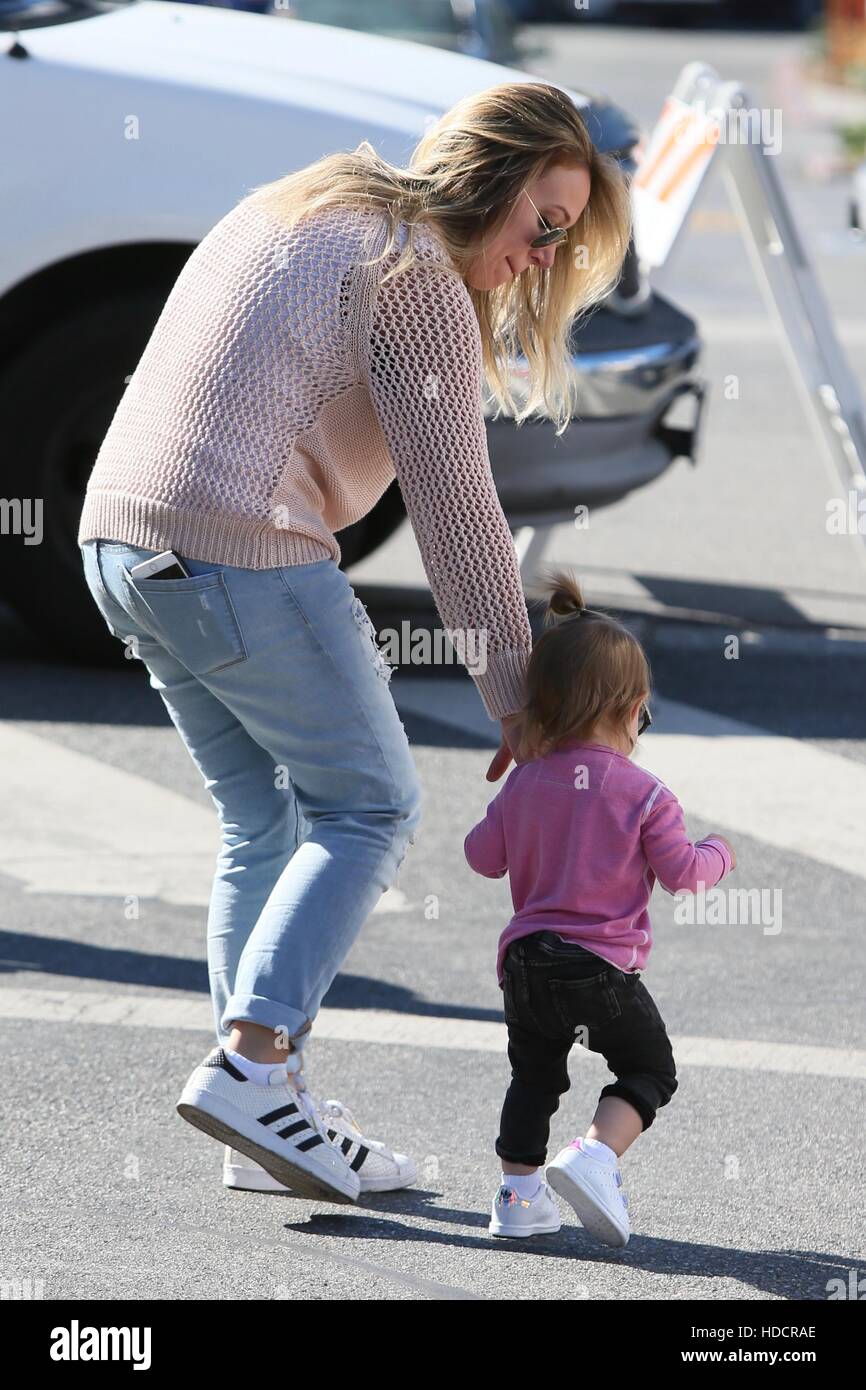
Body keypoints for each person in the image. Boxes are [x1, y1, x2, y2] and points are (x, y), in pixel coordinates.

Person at [77, 81, 633, 1205]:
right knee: (371, 804)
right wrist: (522, 701)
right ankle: (253, 1064)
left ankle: (262, 1116)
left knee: (263, 819)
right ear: (489, 181)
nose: (543, 255)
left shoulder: (308, 200)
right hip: (242, 550)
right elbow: (456, 505)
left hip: (119, 548)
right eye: (545, 223)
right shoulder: (413, 269)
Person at [464, 565, 736, 1244]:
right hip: (599, 968)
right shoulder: (643, 793)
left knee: (533, 1078)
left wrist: (518, 810)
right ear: (633, 705)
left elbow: (481, 856)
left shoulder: (526, 780)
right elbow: (684, 877)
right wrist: (720, 852)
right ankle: (594, 1154)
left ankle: (517, 1199)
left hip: (525, 965)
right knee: (648, 1068)